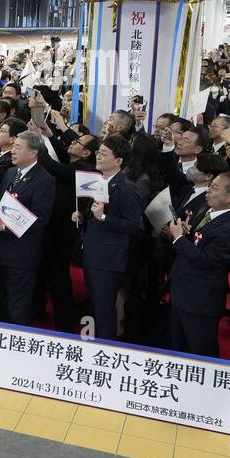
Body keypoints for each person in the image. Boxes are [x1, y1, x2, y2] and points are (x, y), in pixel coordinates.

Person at [166, 172, 230, 357]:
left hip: (200, 301)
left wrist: (178, 238)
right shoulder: (205, 209)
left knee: (200, 353)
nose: (208, 191)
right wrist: (185, 233)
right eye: (210, 186)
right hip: (181, 292)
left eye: (215, 188)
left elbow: (206, 260)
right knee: (178, 349)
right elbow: (198, 241)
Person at [74, 134, 144, 341]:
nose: (98, 156)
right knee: (96, 305)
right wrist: (83, 217)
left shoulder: (127, 188)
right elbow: (95, 215)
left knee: (105, 309)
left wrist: (102, 217)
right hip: (93, 254)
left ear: (118, 161)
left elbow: (133, 225)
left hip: (108, 259)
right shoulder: (100, 181)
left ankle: (106, 347)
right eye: (98, 152)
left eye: (104, 154)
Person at [0, 131, 55, 325]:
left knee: (17, 304)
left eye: (18, 148)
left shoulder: (44, 180)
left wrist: (5, 226)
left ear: (33, 153)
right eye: (13, 146)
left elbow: (40, 219)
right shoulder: (11, 173)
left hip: (21, 253)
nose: (12, 151)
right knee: (2, 300)